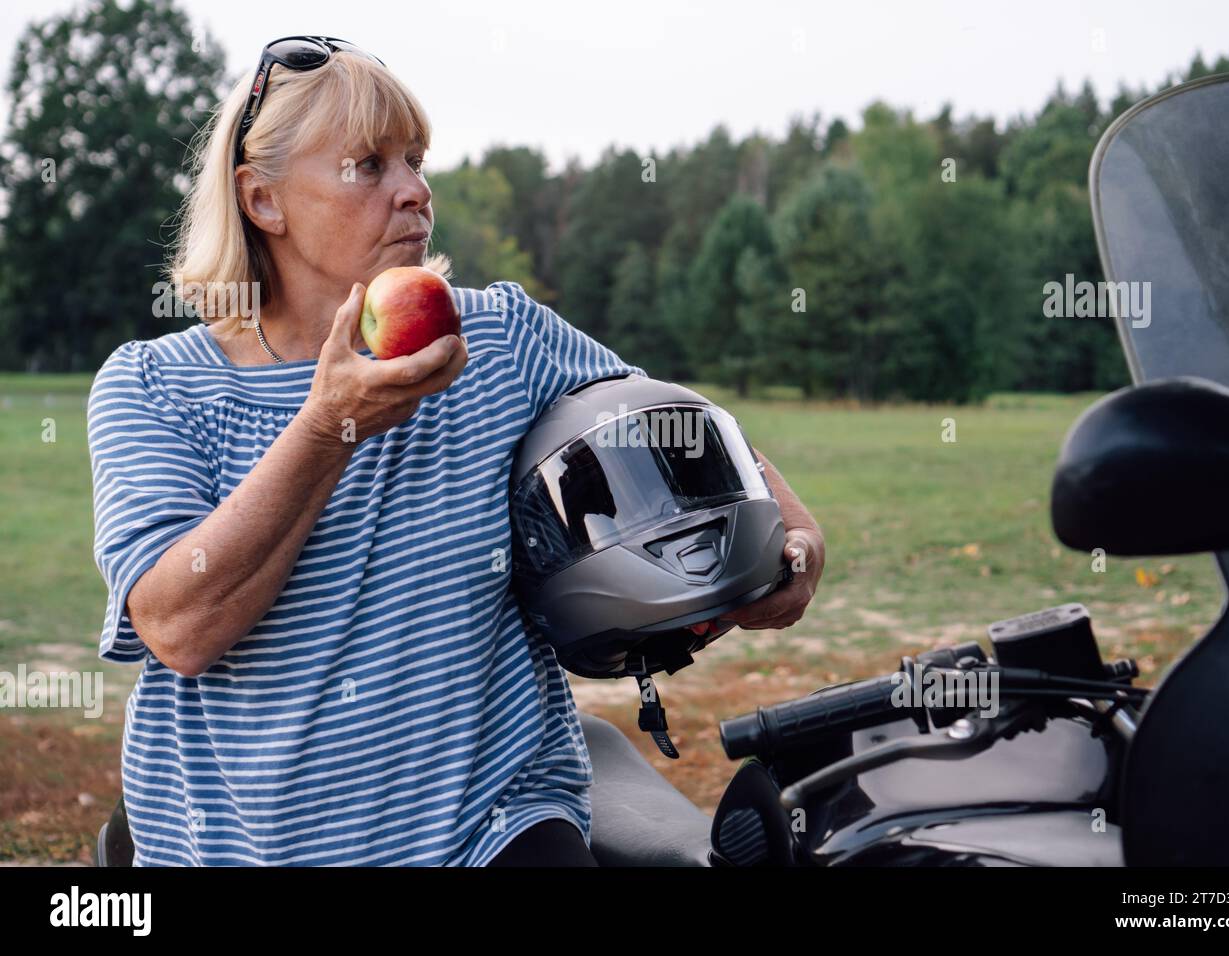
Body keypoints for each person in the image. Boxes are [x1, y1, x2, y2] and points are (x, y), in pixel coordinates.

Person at [87, 36, 824, 866]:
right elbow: (180, 628)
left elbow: (673, 422)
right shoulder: (156, 386)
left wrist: (795, 536)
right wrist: (329, 427)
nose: (415, 190)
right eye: (369, 165)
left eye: (416, 159)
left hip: (494, 824)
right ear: (263, 200)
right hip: (242, 844)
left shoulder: (498, 336)